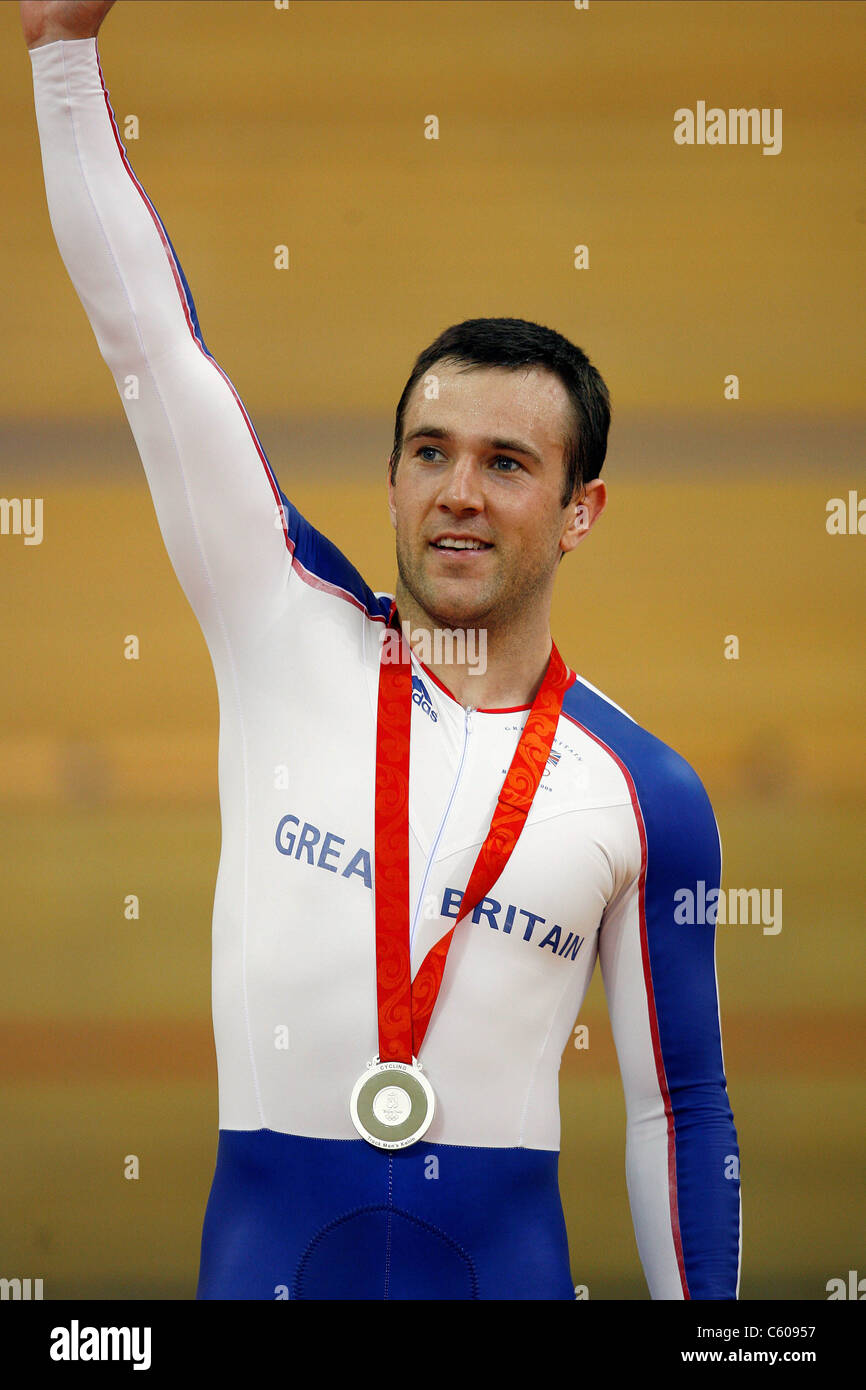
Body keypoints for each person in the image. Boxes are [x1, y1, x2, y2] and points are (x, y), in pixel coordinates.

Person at [23, 0, 741, 1300]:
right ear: (396, 478)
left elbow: (678, 1112)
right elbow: (151, 346)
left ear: (581, 511)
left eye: (506, 463)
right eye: (430, 453)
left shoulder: (644, 793)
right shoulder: (279, 621)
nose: (458, 490)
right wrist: (59, 57)